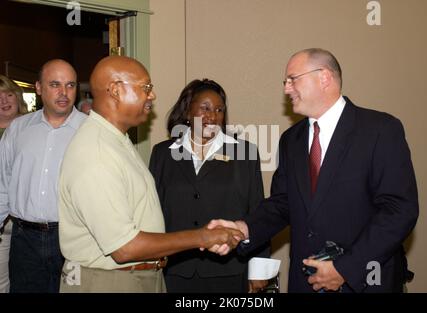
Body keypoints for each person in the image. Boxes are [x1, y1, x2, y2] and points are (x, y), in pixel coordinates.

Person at [209, 48, 419, 293]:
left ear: (324, 78)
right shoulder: (291, 140)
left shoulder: (380, 130)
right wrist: (244, 228)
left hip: (363, 283)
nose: (286, 89)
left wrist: (345, 268)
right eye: (285, 82)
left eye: (292, 79)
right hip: (305, 284)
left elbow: (399, 210)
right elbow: (282, 203)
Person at [58, 56, 243, 293]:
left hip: (137, 277)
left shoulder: (117, 141)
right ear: (115, 90)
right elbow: (124, 247)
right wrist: (203, 237)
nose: (152, 96)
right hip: (110, 282)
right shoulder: (96, 152)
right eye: (146, 88)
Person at [149, 79, 270, 293]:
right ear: (187, 112)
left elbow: (257, 212)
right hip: (176, 269)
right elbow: (152, 213)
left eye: (219, 110)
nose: (212, 116)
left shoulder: (245, 153)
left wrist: (259, 269)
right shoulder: (163, 154)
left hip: (228, 271)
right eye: (204, 108)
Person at [0, 60, 86, 293]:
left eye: (70, 85)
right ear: (38, 87)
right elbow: (2, 183)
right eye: (55, 84)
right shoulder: (17, 129)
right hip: (24, 241)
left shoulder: (90, 131)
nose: (63, 93)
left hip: (73, 239)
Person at [0, 75, 28, 293]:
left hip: (30, 224)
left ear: (18, 97)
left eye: (9, 94)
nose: (4, 100)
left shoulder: (35, 128)